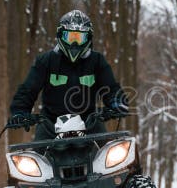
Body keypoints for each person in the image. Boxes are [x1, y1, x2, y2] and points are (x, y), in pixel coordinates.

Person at [8, 10, 128, 140]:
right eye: (70, 37)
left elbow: (111, 88)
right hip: (50, 126)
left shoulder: (97, 61)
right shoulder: (46, 61)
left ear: (88, 38)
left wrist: (117, 103)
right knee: (34, 158)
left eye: (79, 38)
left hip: (90, 125)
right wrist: (19, 113)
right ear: (60, 36)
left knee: (111, 157)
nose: (74, 43)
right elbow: (27, 90)